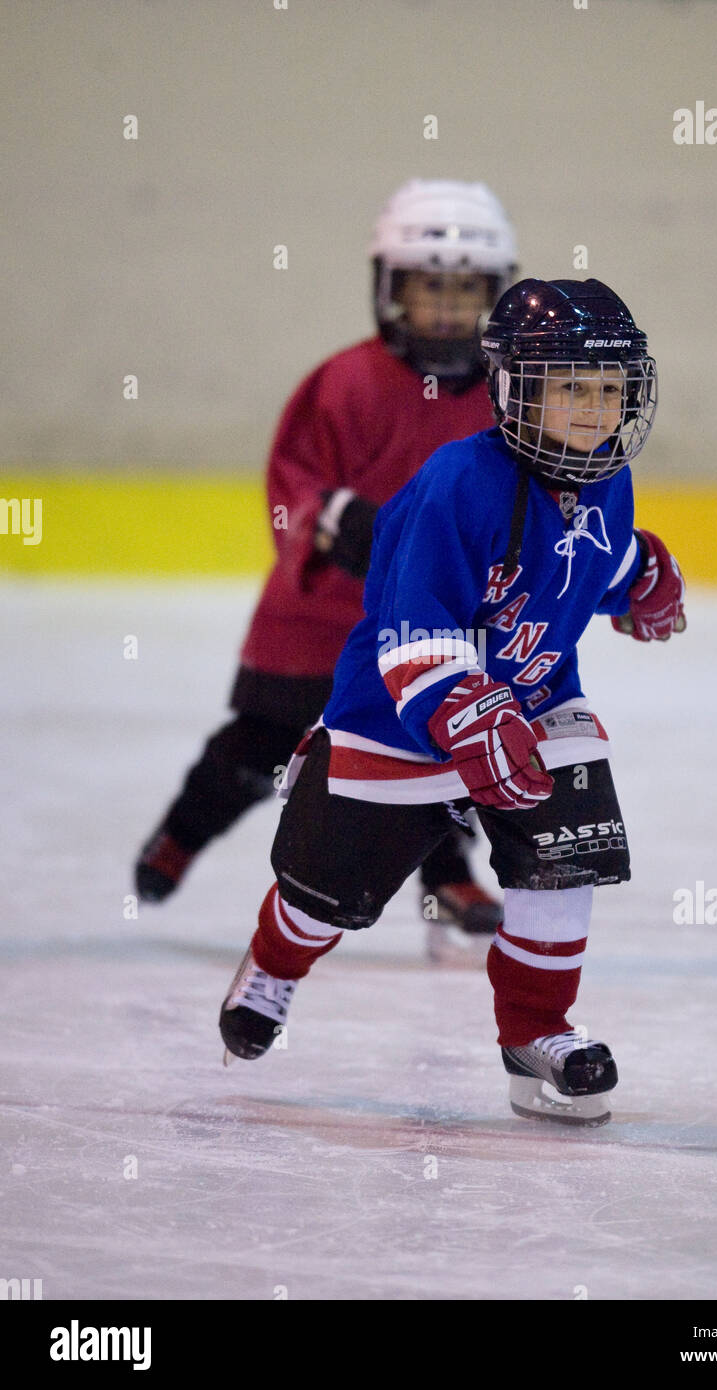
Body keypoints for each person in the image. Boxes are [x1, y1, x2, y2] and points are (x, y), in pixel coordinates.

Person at [217, 276, 687, 1126]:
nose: (594, 410)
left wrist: (638, 576)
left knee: (564, 863)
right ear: (514, 390)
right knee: (329, 894)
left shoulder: (608, 479)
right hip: (396, 714)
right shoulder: (452, 482)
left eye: (611, 389)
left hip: (536, 697)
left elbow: (579, 565)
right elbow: (409, 620)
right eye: (570, 388)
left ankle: (535, 1037)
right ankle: (273, 966)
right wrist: (465, 712)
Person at [134, 180, 518, 958]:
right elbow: (292, 486)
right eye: (427, 287)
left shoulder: (508, 397)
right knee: (256, 746)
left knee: (432, 755)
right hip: (320, 621)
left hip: (431, 624)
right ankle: (183, 831)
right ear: (389, 290)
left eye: (465, 289)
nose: (446, 307)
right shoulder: (343, 382)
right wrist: (334, 519)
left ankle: (447, 877)